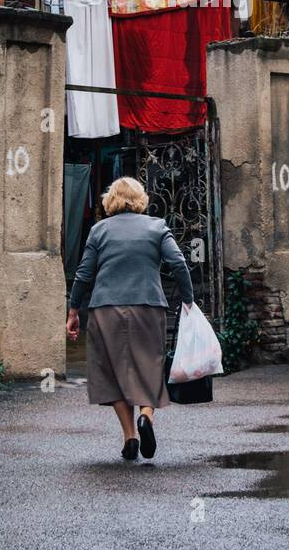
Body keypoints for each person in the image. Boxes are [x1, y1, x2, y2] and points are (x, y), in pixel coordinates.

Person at [66, 176, 194, 461]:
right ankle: (146, 417)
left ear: (110, 200)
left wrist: (74, 311)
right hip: (148, 307)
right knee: (149, 365)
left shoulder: (99, 230)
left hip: (105, 308)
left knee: (111, 372)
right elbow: (178, 263)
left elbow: (84, 274)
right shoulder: (157, 227)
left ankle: (130, 438)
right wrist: (188, 301)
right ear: (141, 199)